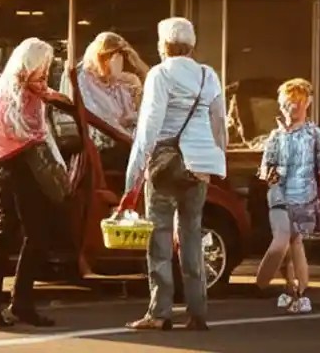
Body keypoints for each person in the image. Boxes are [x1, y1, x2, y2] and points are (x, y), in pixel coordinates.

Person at [124, 17, 227, 332]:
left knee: (160, 237)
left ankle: (160, 312)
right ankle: (198, 313)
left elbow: (149, 126)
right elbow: (218, 122)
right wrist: (217, 161)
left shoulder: (160, 74)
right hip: (199, 167)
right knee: (193, 236)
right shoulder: (209, 75)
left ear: (162, 45)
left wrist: (133, 175)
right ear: (192, 46)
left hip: (166, 163)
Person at [0, 37, 71, 329]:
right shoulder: (14, 92)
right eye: (43, 66)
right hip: (15, 163)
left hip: (11, 161)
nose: (46, 71)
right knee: (22, 233)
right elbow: (19, 127)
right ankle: (0, 303)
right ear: (31, 64)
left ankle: (11, 302)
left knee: (22, 233)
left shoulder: (25, 87)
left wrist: (61, 96)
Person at [253, 78, 320, 314]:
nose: (292, 108)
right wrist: (269, 174)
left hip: (305, 198)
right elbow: (265, 166)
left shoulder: (313, 134)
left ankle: (296, 290)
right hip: (279, 197)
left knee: (293, 241)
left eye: (297, 103)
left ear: (307, 104)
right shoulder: (275, 136)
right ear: (280, 105)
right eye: (287, 104)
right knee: (285, 239)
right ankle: (295, 289)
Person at [73, 32, 149, 134]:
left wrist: (138, 90)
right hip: (104, 138)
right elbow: (99, 119)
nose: (121, 62)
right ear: (103, 58)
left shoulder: (118, 83)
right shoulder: (85, 80)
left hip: (124, 138)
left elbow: (135, 116)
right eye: (118, 56)